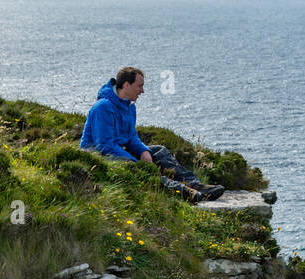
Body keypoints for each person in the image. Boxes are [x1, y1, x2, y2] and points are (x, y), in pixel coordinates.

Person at [80, 66, 226, 203]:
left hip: (116, 151)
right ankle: (184, 193)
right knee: (138, 168)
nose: (142, 91)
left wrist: (143, 151)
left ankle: (196, 185)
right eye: (139, 86)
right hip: (98, 157)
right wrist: (134, 160)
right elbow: (103, 146)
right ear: (126, 85)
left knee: (158, 151)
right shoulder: (103, 107)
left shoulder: (129, 107)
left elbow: (131, 137)